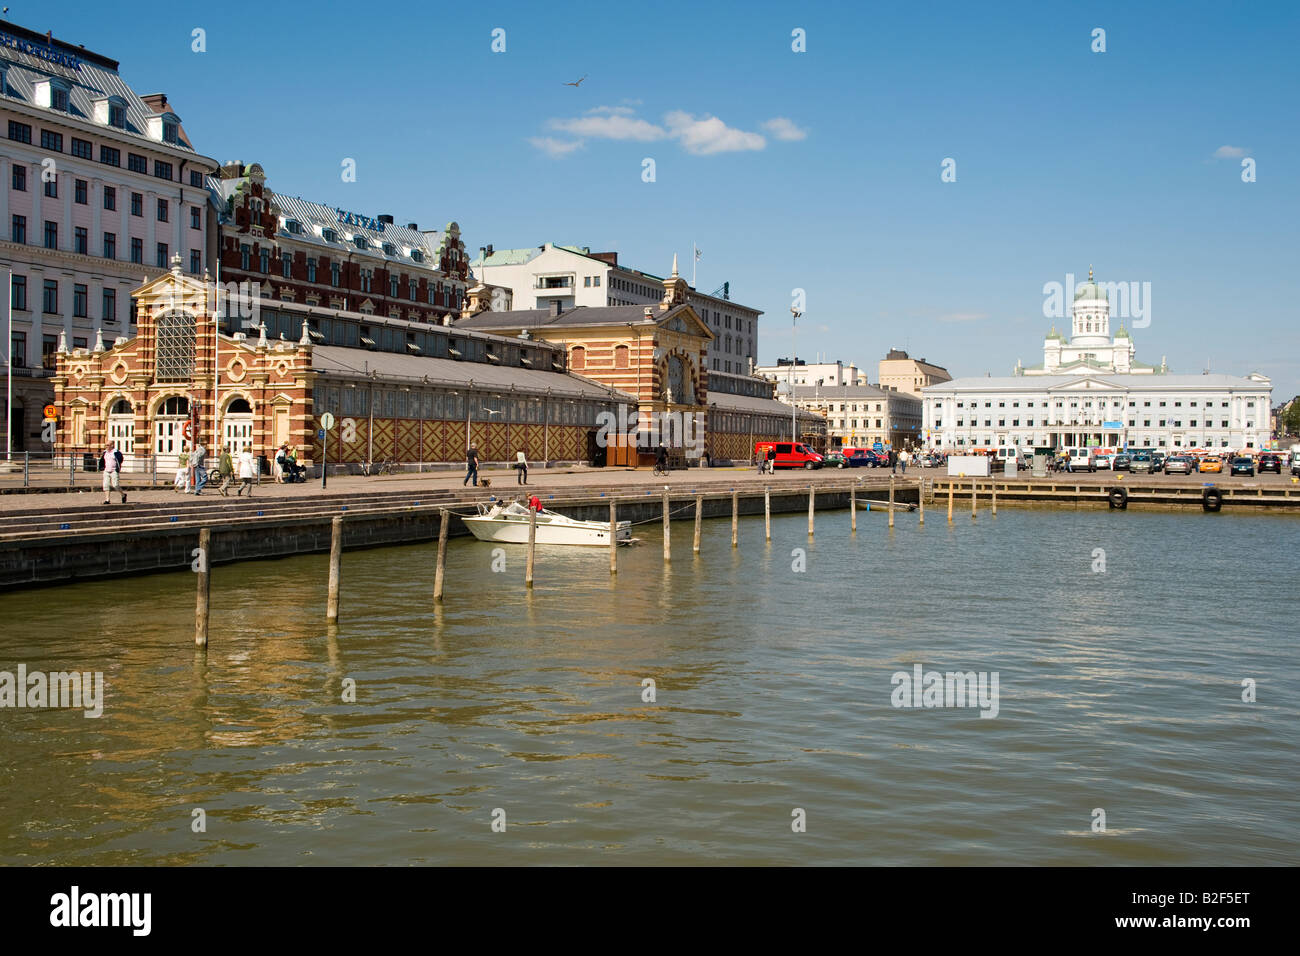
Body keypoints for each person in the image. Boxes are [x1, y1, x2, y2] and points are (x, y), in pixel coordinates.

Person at [101, 440, 126, 505]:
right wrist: (102, 467)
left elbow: (120, 459)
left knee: (115, 485)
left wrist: (118, 467)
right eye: (106, 445)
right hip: (106, 470)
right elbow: (102, 460)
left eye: (108, 445)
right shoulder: (105, 452)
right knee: (106, 485)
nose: (106, 446)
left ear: (112, 445)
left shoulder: (116, 452)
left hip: (114, 470)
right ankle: (107, 499)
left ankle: (123, 495)